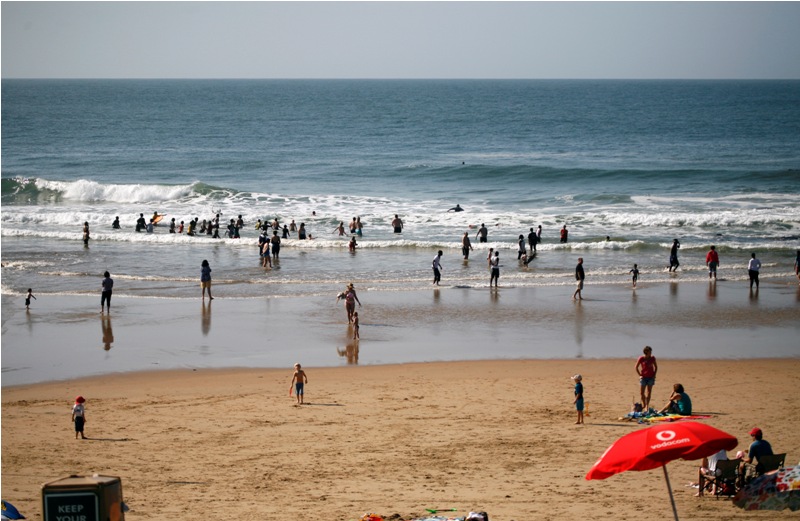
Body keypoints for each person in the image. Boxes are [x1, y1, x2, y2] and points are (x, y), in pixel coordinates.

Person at [635, 346, 657, 410]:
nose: (651, 353)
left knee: (649, 392)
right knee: (642, 393)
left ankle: (647, 405)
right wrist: (640, 375)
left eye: (651, 351)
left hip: (650, 377)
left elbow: (656, 367)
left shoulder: (652, 358)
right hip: (643, 377)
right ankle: (644, 404)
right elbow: (636, 367)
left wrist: (654, 374)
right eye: (650, 351)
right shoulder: (641, 358)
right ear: (646, 352)